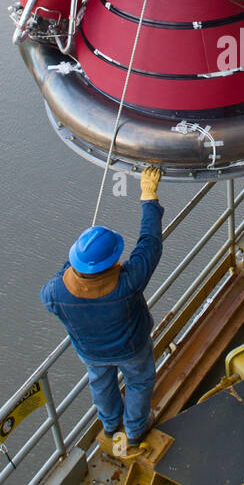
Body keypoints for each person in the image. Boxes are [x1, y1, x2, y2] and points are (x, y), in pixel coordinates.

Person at [40, 165, 164, 456]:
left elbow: (49, 295)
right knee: (140, 381)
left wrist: (73, 263)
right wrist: (149, 197)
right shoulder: (129, 283)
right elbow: (150, 244)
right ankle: (134, 430)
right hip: (132, 348)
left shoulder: (56, 293)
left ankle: (110, 425)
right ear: (112, 262)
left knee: (100, 382)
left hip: (92, 353)